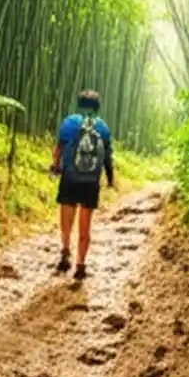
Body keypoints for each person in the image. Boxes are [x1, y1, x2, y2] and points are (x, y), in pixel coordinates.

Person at [50, 89, 114, 279]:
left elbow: (59, 150)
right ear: (97, 108)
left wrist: (56, 167)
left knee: (66, 219)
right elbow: (108, 158)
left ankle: (65, 250)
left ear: (79, 106)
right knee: (85, 225)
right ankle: (80, 265)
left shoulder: (69, 122)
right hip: (90, 182)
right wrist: (110, 178)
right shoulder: (102, 127)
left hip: (70, 177)